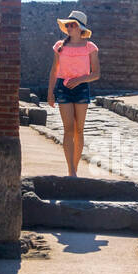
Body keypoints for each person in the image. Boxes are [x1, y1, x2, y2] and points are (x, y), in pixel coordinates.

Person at [46, 9, 100, 176]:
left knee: (79, 130)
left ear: (80, 28)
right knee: (68, 129)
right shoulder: (60, 46)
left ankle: (75, 167)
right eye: (67, 25)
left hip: (82, 88)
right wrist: (50, 93)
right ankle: (71, 170)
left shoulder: (90, 47)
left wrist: (80, 80)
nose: (69, 27)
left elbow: (96, 74)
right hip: (63, 87)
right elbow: (54, 70)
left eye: (72, 25)